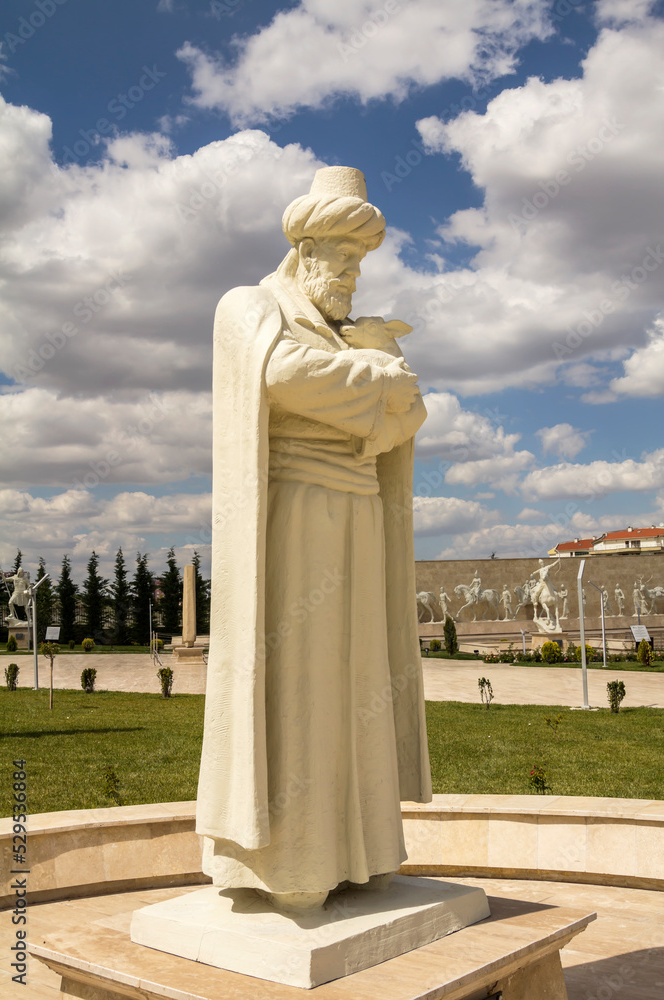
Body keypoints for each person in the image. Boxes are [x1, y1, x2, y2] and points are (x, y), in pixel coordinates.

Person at [196, 167, 431, 912]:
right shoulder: (249, 305)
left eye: (361, 263)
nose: (355, 276)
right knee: (302, 680)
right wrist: (378, 377)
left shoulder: (351, 333)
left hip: (361, 511)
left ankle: (360, 851)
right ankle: (293, 860)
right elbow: (285, 376)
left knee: (360, 681)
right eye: (346, 259)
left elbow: (411, 413)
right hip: (298, 514)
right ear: (306, 250)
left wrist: (373, 383)